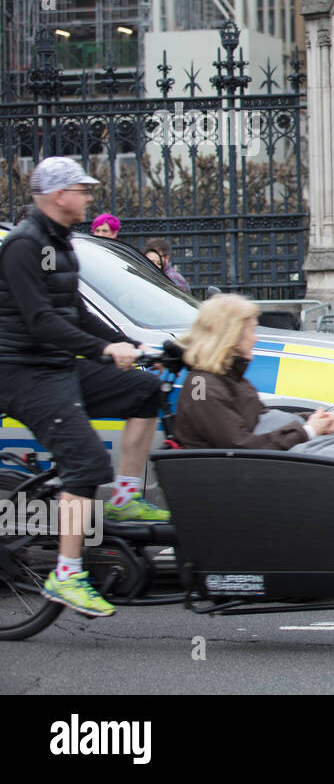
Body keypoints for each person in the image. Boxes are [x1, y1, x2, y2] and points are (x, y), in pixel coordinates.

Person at [0, 157, 167, 618]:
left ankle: (124, 499)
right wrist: (101, 352)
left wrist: (127, 343)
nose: (90, 197)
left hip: (58, 367)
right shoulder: (23, 245)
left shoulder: (62, 243)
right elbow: (41, 322)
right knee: (87, 462)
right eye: (82, 189)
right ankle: (67, 574)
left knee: (144, 390)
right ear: (58, 196)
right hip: (24, 373)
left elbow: (74, 312)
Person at [173, 294, 334, 451]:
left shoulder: (230, 378)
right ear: (231, 336)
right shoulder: (200, 386)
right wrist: (307, 431)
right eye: (252, 330)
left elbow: (262, 419)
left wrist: (312, 420)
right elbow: (239, 445)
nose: (255, 338)